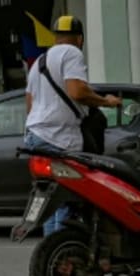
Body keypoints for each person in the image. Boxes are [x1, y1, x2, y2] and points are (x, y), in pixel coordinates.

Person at [24, 15, 122, 236]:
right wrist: (106, 101)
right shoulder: (72, 53)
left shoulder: (39, 62)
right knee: (67, 200)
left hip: (36, 136)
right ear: (79, 39)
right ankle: (64, 258)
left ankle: (51, 255)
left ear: (56, 37)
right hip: (60, 138)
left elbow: (29, 104)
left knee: (49, 201)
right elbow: (77, 91)